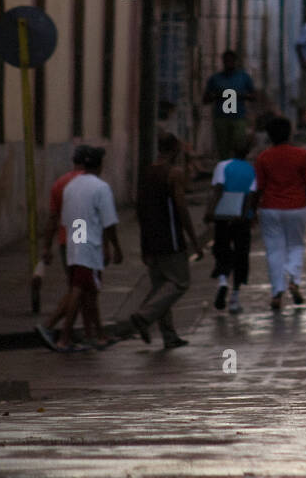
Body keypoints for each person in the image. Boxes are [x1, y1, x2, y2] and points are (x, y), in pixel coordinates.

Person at [128, 133, 202, 350]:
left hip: (150, 237)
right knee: (179, 282)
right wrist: (193, 239)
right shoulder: (174, 173)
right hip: (169, 237)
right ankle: (144, 315)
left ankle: (169, 335)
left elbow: (139, 209)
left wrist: (144, 244)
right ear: (175, 150)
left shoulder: (147, 171)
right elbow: (181, 208)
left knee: (161, 286)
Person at [55, 146, 122, 351]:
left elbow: (67, 219)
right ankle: (64, 338)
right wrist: (115, 247)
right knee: (78, 289)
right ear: (99, 165)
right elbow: (108, 222)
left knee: (90, 291)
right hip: (89, 245)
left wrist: (79, 244)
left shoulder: (71, 186)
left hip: (76, 242)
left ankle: (99, 335)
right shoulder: (101, 188)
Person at [249, 116, 306, 311]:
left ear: (269, 136)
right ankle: (294, 280)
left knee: (274, 250)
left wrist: (252, 211)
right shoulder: (301, 155)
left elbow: (258, 188)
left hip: (270, 208)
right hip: (297, 206)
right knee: (295, 245)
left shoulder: (263, 157)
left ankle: (277, 292)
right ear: (289, 133)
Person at [36, 146, 87, 348]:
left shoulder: (60, 183)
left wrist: (47, 247)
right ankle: (51, 327)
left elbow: (53, 218)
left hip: (65, 240)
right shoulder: (88, 183)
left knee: (78, 288)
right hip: (81, 238)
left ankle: (73, 333)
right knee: (79, 288)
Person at [205, 137, 257, 314]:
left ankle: (222, 282)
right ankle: (235, 297)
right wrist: (246, 216)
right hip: (242, 217)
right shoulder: (251, 170)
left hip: (223, 214)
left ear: (232, 150)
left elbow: (217, 189)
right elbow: (251, 197)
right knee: (242, 253)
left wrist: (209, 211)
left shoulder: (222, 166)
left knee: (222, 249)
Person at [202, 50, 257, 161]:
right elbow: (205, 99)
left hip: (238, 117)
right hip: (221, 117)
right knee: (222, 147)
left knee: (239, 145)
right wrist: (218, 96)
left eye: (231, 61)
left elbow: (254, 96)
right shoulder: (215, 79)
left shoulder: (243, 77)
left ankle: (237, 166)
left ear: (235, 62)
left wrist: (239, 95)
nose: (229, 63)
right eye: (226, 61)